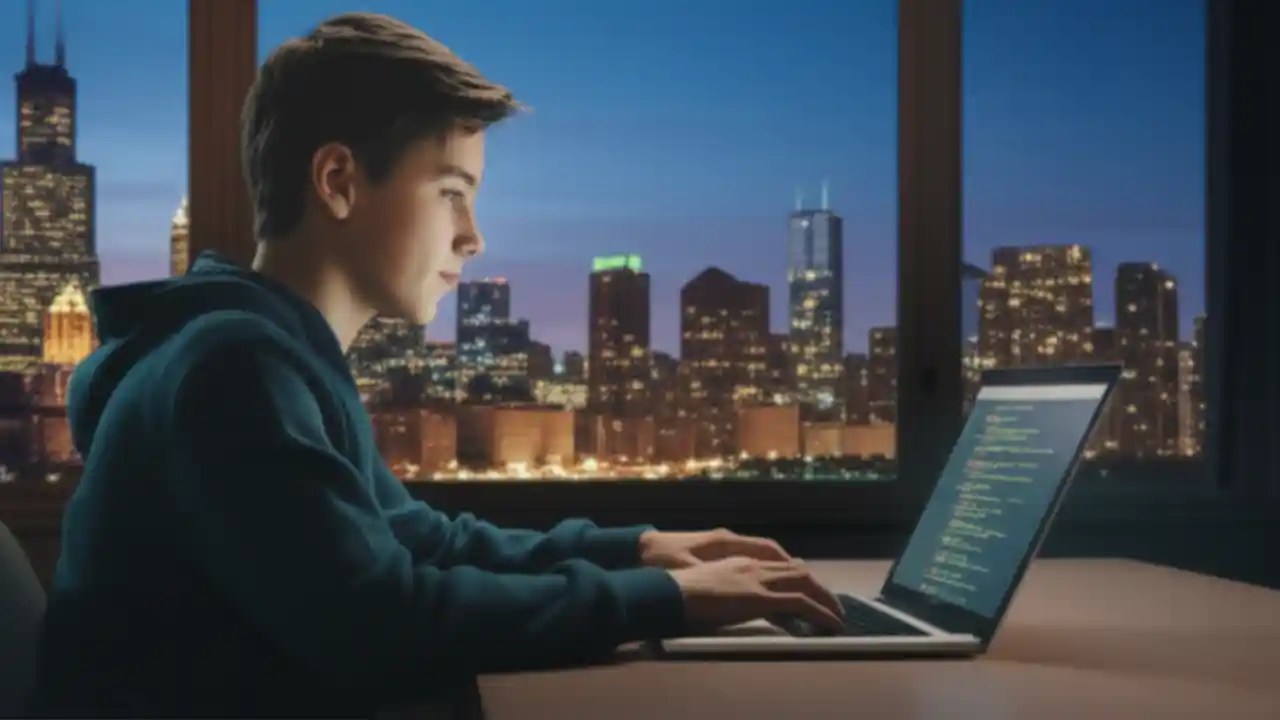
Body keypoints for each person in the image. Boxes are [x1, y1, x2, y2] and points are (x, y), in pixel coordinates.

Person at [26, 12, 844, 717]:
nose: (473, 235)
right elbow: (383, 623)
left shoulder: (259, 352)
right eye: (452, 191)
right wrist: (663, 601)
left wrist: (639, 551)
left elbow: (416, 541)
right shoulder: (229, 371)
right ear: (339, 181)